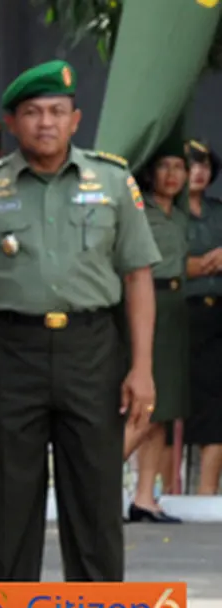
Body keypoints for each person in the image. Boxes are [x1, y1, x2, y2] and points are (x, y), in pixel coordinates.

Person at [0, 59, 157, 608]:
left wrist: (141, 368)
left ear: (75, 119)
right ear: (12, 123)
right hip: (9, 349)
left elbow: (139, 277)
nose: (45, 122)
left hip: (94, 347)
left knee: (95, 506)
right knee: (6, 505)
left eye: (57, 111)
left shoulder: (114, 184)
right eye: (32, 112)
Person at [125, 137, 190, 523]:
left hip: (177, 306)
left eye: (178, 168)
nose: (172, 176)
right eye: (164, 167)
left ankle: (145, 497)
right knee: (143, 407)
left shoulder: (179, 217)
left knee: (164, 409)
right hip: (150, 303)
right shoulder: (139, 212)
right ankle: (90, 485)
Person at [183, 140, 222, 495]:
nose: (199, 172)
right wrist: (201, 265)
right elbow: (172, 266)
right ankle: (167, 490)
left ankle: (207, 494)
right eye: (192, 165)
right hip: (181, 315)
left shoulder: (218, 211)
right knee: (173, 408)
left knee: (216, 404)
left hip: (217, 314)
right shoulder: (168, 214)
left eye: (205, 165)